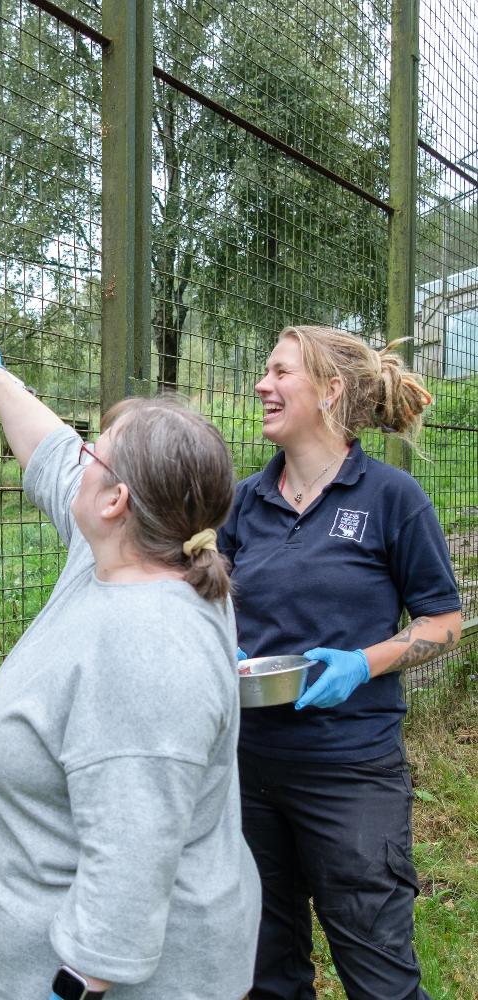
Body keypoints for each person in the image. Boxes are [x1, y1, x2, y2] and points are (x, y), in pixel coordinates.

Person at [0, 323, 260, 1000]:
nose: (82, 457)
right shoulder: (138, 555)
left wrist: (71, 987)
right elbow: (53, 455)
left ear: (117, 502)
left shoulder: (145, 649)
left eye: (97, 454)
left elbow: (129, 875)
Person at [219, 325, 462, 1000]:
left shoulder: (391, 498)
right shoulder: (245, 500)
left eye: (280, 373)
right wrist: (220, 640)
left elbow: (445, 625)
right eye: (265, 373)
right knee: (265, 969)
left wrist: (364, 662)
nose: (263, 386)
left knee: (378, 971)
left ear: (330, 391)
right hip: (249, 768)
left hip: (350, 770)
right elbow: (217, 602)